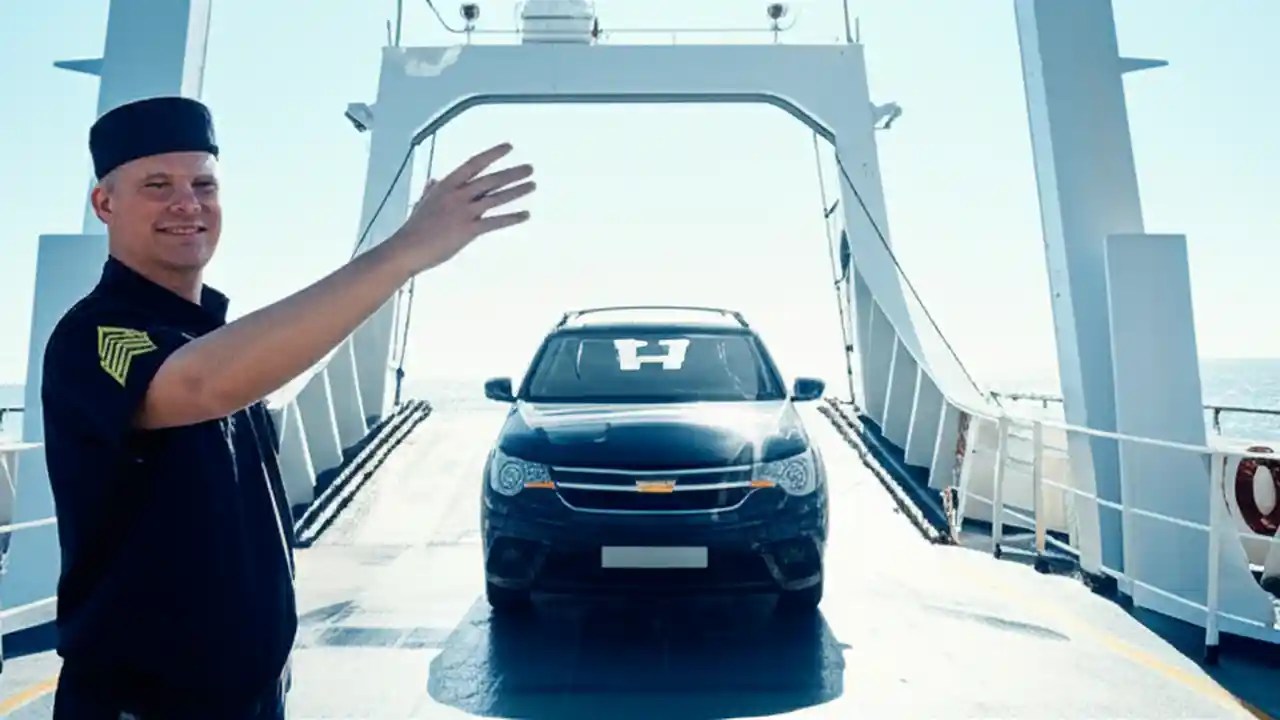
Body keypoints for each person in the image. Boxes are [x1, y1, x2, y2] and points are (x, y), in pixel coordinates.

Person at [40, 95, 534, 719]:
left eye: (203, 185)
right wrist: (404, 251)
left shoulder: (216, 339)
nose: (187, 203)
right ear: (104, 204)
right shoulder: (96, 335)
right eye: (157, 185)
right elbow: (199, 387)